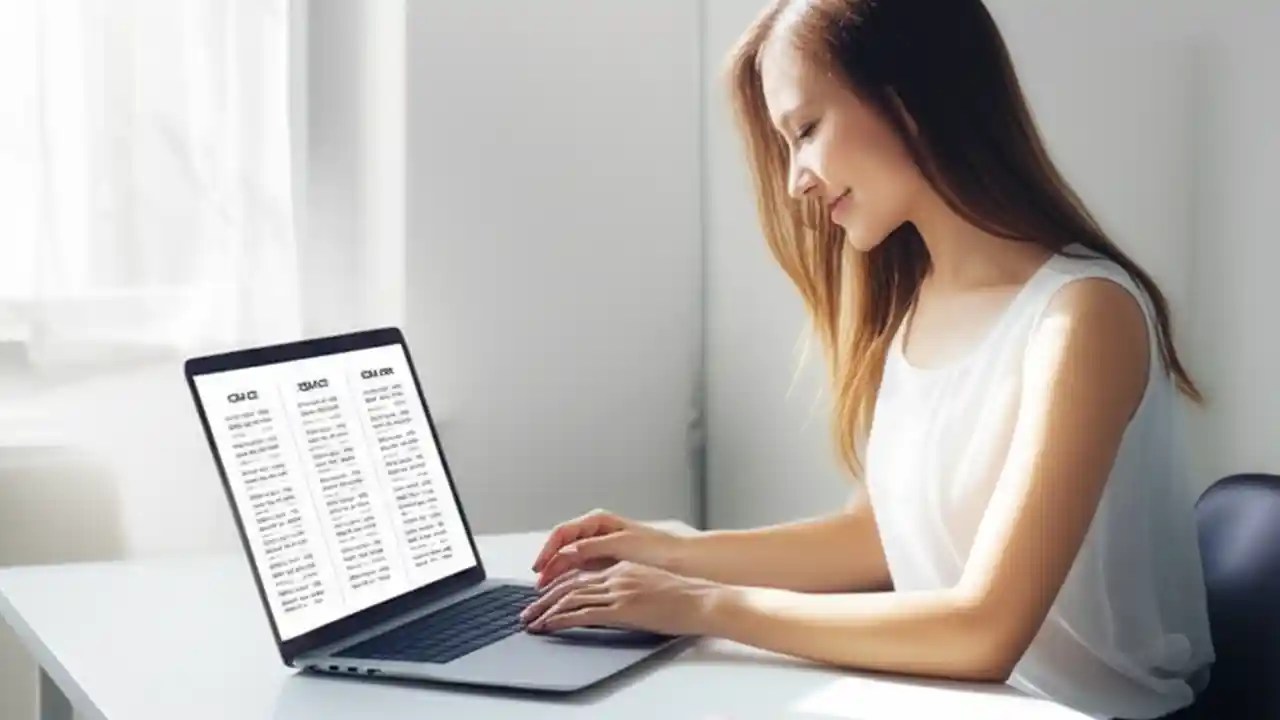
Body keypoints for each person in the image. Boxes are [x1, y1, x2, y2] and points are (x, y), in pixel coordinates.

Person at [517, 1, 1214, 717]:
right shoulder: (918, 306)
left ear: (907, 96)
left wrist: (703, 604)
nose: (797, 182)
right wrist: (665, 552)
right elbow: (875, 541)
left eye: (807, 131)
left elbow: (984, 631)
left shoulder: (1082, 315)